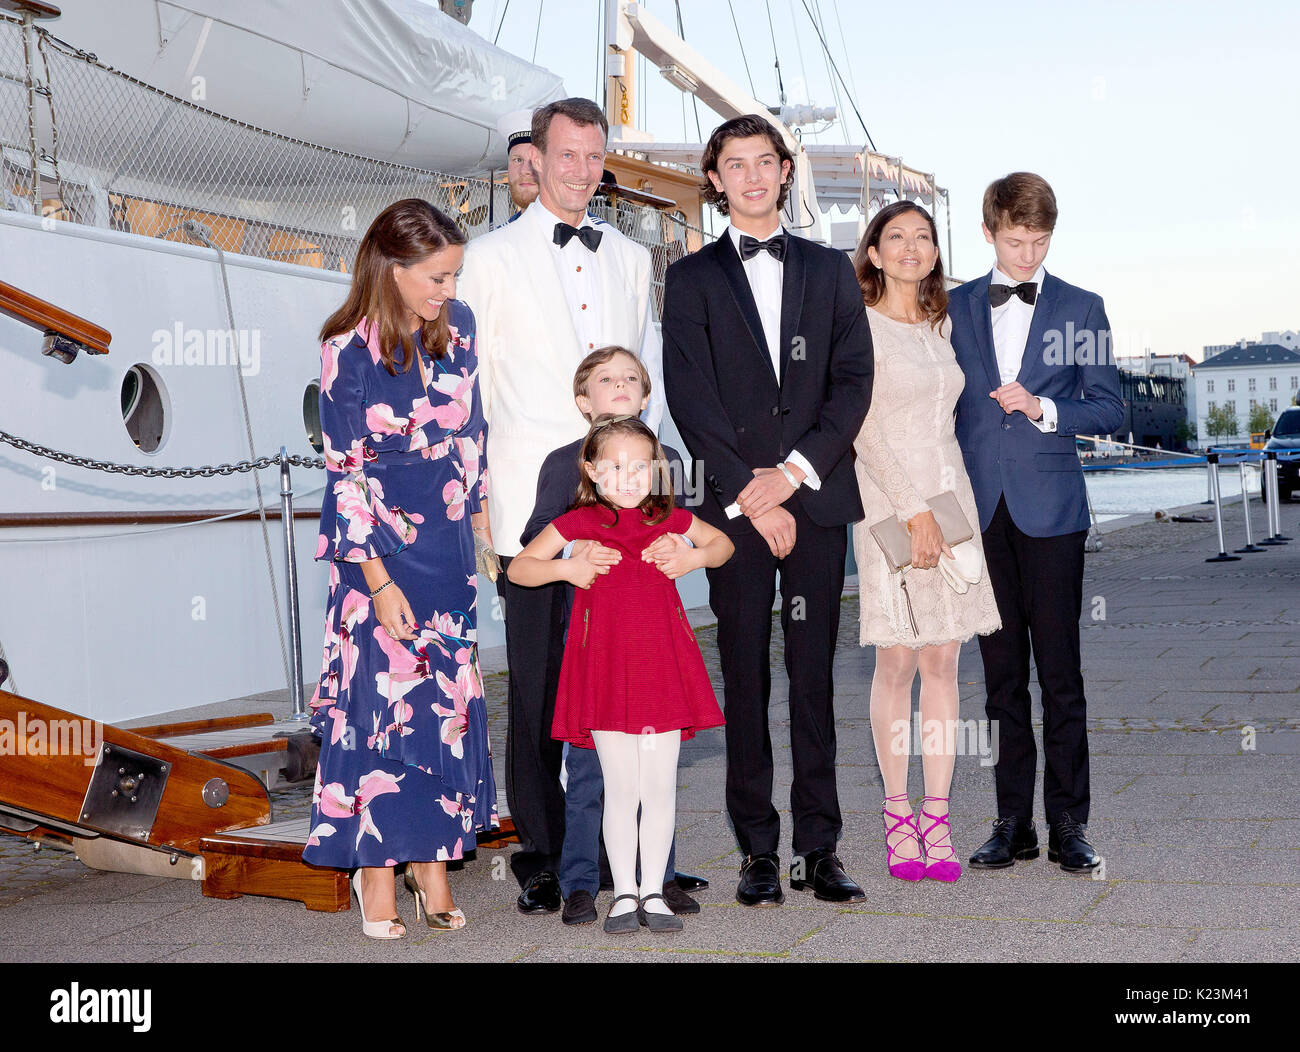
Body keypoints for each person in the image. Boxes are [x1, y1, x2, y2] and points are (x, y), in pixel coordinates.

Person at [457, 97, 664, 914]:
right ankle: (541, 850)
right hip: (525, 494)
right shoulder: (488, 257)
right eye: (566, 155)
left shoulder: (635, 260)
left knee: (623, 676)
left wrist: (655, 491)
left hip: (616, 494)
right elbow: (465, 385)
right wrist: (474, 495)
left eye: (593, 156)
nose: (581, 171)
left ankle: (623, 850)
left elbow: (647, 384)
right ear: (535, 160)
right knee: (540, 683)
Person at [661, 114, 874, 907]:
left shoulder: (830, 270)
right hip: (731, 516)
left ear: (786, 171)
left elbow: (852, 385)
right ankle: (758, 852)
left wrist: (790, 477)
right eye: (734, 165)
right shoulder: (689, 280)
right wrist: (753, 495)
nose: (751, 177)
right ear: (714, 179)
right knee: (743, 676)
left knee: (814, 679)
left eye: (765, 162)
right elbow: (691, 399)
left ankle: (820, 850)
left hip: (813, 505)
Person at [303, 198, 497, 938]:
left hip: (445, 538)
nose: (447, 290)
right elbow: (344, 473)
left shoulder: (462, 326)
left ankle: (432, 865)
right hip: (375, 547)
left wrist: (479, 523)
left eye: (454, 275)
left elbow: (471, 430)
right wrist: (377, 582)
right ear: (393, 266)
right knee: (378, 711)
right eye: (436, 277)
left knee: (440, 708)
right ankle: (375, 874)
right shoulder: (345, 348)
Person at [947, 173, 1124, 873]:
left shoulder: (1083, 308)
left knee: (1061, 674)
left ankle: (1069, 824)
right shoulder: (952, 306)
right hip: (979, 509)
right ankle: (1011, 821)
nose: (1027, 255)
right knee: (998, 679)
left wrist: (1046, 409)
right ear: (989, 231)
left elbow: (1110, 410)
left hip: (1051, 513)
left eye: (1040, 241)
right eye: (1015, 241)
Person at [507, 415, 733, 933]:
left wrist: (691, 558)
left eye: (641, 467)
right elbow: (521, 568)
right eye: (615, 466)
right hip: (605, 670)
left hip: (662, 666)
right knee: (622, 786)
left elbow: (724, 545)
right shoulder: (579, 523)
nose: (629, 477)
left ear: (656, 470)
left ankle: (654, 891)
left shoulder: (668, 519)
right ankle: (624, 893)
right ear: (591, 469)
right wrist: (567, 567)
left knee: (659, 788)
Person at [850, 201, 1002, 883]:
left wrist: (941, 509)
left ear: (935, 251)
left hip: (952, 494)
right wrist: (913, 512)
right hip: (889, 499)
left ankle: (936, 818)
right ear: (874, 252)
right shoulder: (858, 325)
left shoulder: (941, 322)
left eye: (922, 237)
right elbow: (862, 428)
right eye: (896, 238)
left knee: (944, 658)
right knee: (898, 661)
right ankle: (895, 813)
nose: (911, 247)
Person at [496, 108, 539, 221]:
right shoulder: (498, 237)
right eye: (518, 160)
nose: (525, 170)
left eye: (536, 160)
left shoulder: (589, 234)